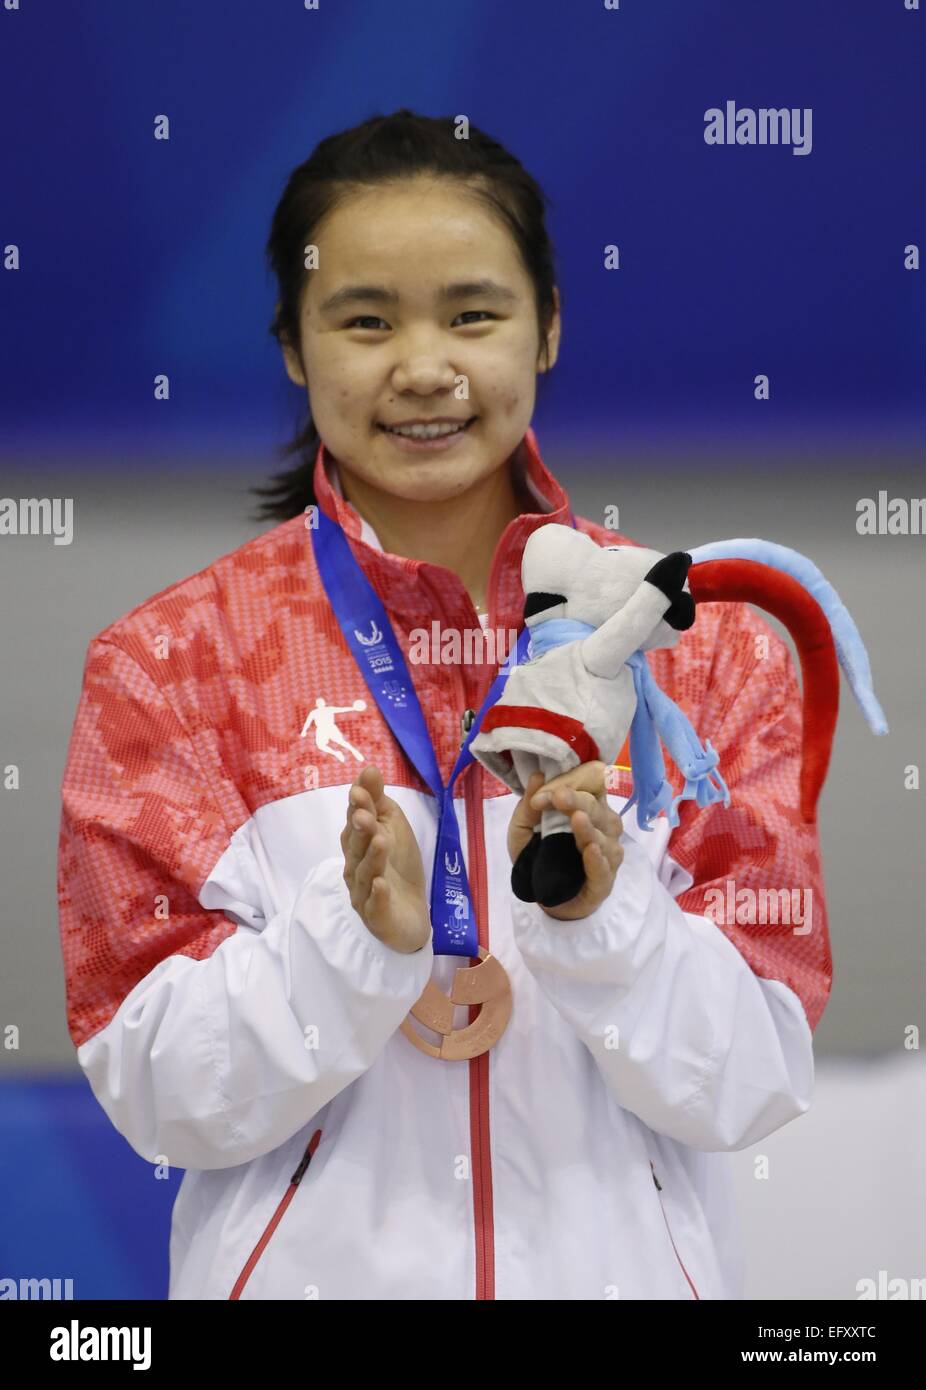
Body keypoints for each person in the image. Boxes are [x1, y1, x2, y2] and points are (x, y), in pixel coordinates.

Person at [57, 109, 829, 1301]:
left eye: (473, 314)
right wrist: (349, 942)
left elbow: (751, 1079)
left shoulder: (698, 650)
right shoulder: (170, 662)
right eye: (364, 320)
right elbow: (159, 1099)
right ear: (291, 346)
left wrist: (600, 918)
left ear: (550, 327)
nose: (423, 366)